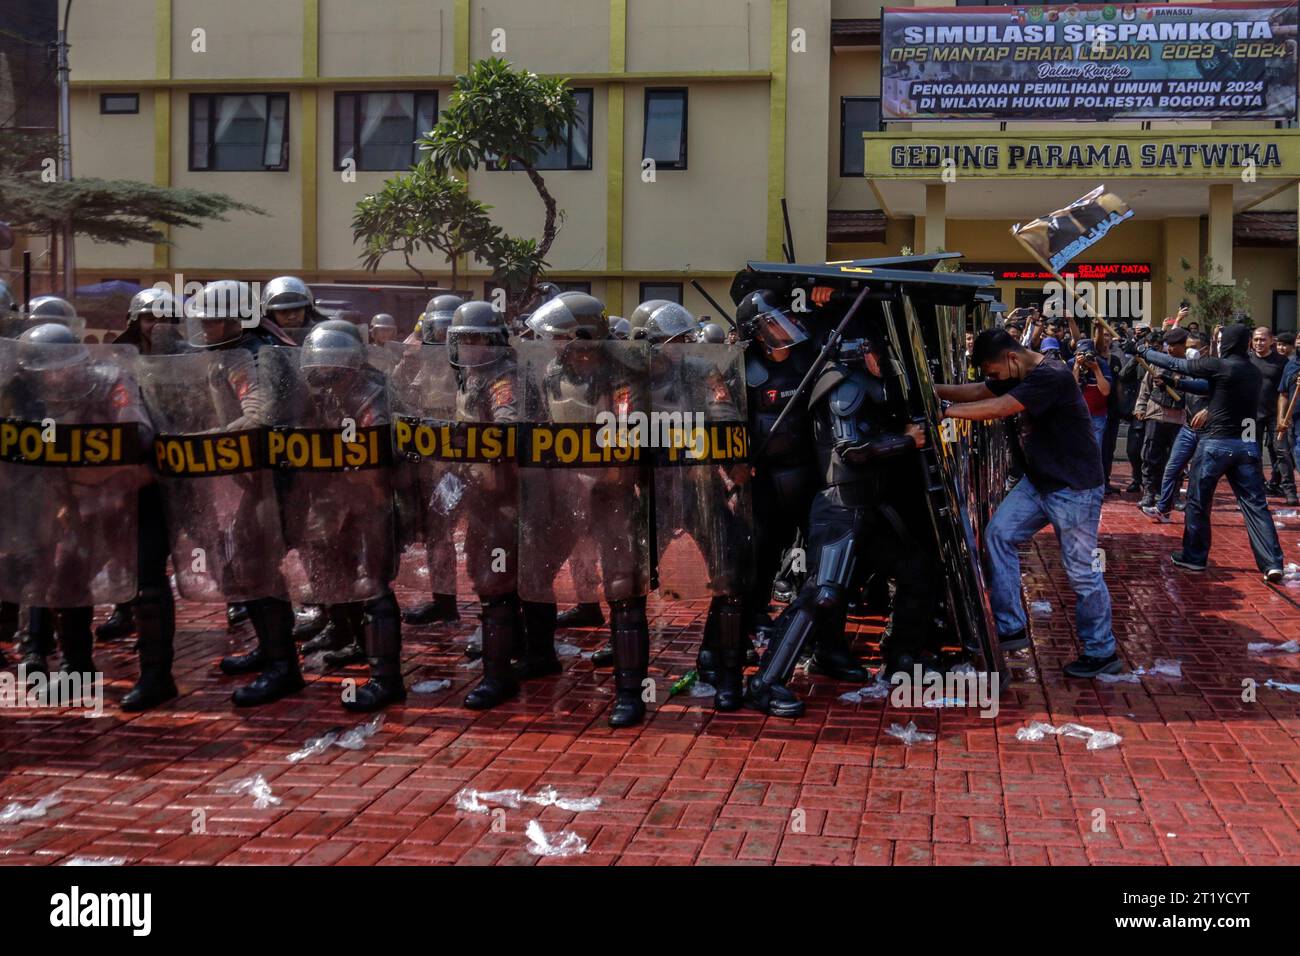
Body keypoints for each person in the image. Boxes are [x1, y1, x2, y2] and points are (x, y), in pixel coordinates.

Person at [745, 322, 934, 717]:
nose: (881, 361)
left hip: (869, 507)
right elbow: (851, 450)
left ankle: (898, 658)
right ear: (861, 353)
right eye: (876, 353)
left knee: (916, 570)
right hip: (840, 508)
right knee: (823, 592)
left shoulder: (859, 383)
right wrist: (906, 440)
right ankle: (765, 682)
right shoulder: (843, 386)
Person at [938, 329, 1120, 679]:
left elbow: (1001, 406)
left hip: (1074, 488)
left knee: (1082, 572)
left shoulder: (1051, 375)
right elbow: (982, 391)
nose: (993, 379)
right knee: (998, 534)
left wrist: (948, 411)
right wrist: (932, 392)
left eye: (993, 371)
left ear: (1010, 358)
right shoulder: (1017, 373)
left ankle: (1101, 650)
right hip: (1038, 482)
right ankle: (1011, 627)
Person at [1137, 323, 1286, 582]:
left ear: (1227, 343)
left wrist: (1142, 351)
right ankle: (1272, 563)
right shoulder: (1252, 370)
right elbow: (1209, 388)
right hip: (1247, 446)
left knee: (1198, 501)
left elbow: (1180, 364)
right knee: (1256, 506)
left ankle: (1194, 557)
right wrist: (1175, 383)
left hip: (1216, 445)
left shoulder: (1219, 365)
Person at [1250, 326, 1296, 504]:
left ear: (1271, 341)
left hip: (1274, 416)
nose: (1259, 343)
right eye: (1256, 340)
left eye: (1262, 339)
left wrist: (1284, 416)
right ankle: (1256, 486)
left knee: (1281, 451)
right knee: (1251, 452)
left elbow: (1286, 391)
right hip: (1249, 417)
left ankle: (1289, 490)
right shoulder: (1247, 360)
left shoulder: (1282, 362)